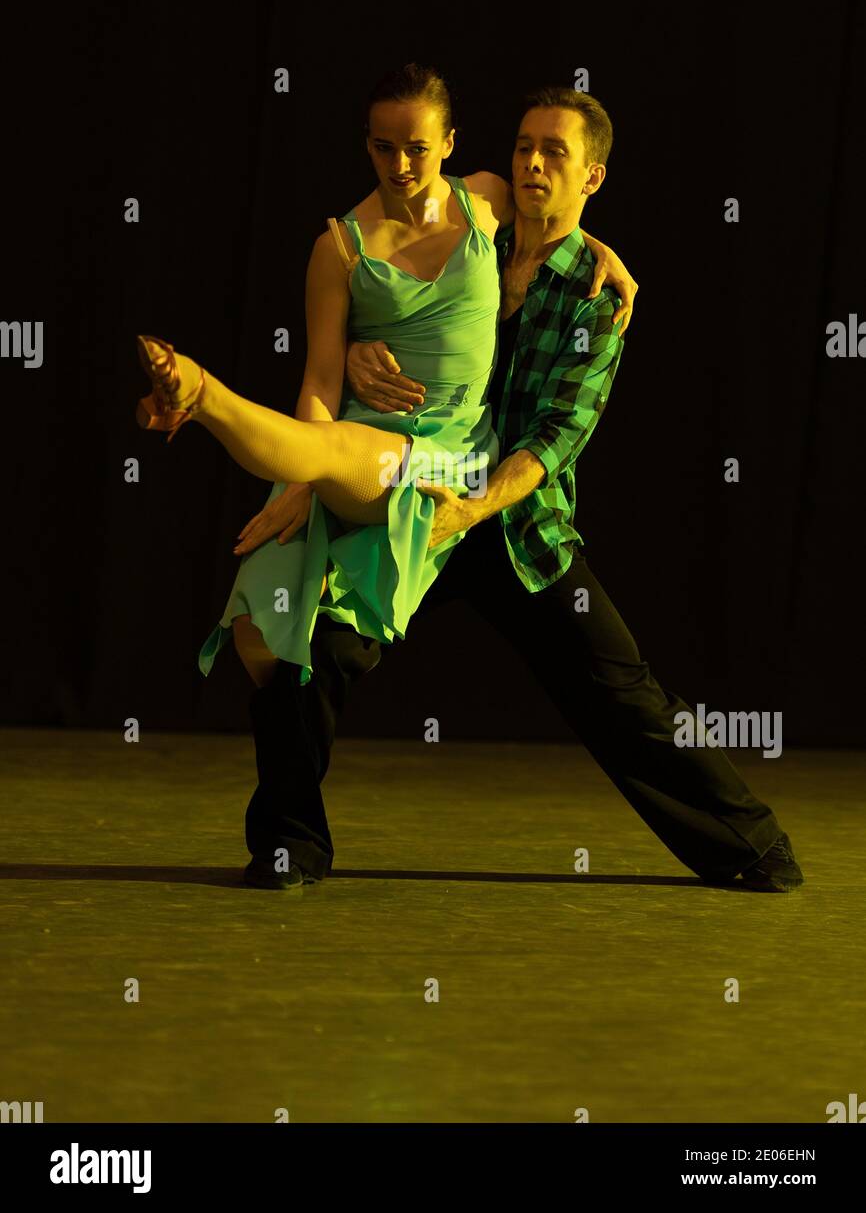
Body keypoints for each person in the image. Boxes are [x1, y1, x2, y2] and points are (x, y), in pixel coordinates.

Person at [230, 84, 805, 895]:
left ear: (591, 179)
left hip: (507, 518)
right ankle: (289, 846)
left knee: (619, 691)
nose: (532, 163)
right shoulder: (478, 228)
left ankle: (752, 847)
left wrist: (477, 507)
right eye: (525, 146)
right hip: (420, 492)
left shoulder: (597, 296)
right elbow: (395, 298)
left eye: (555, 154)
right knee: (313, 645)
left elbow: (551, 443)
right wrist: (362, 351)